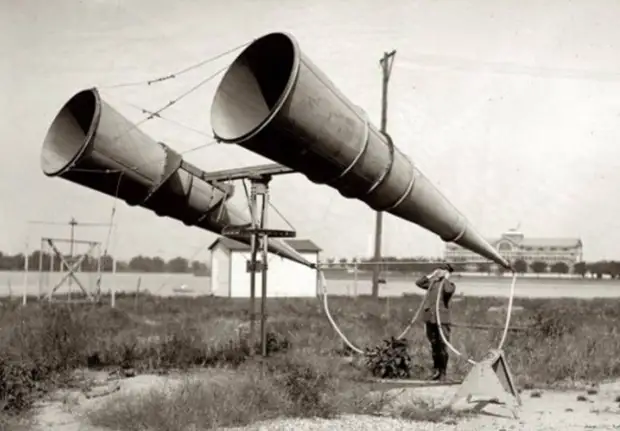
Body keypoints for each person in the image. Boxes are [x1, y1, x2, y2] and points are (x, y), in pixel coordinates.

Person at [415, 263, 456, 381]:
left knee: (442, 346)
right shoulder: (432, 284)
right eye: (440, 269)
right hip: (430, 319)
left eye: (443, 270)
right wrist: (431, 275)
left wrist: (446, 277)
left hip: (442, 320)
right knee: (434, 345)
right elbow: (418, 283)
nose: (440, 272)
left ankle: (443, 372)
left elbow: (448, 291)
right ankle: (436, 371)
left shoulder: (450, 285)